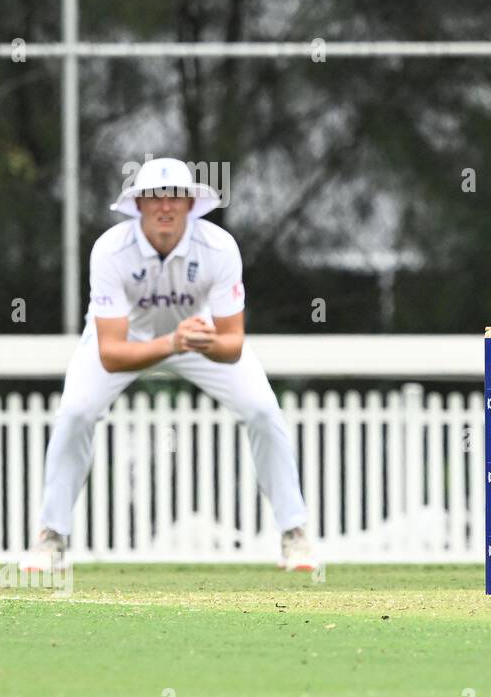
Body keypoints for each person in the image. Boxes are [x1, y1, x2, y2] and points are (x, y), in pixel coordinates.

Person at [19, 158, 318, 572]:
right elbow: (110, 353)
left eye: (175, 196)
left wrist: (202, 342)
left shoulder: (219, 247)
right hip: (128, 338)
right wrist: (171, 342)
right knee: (75, 412)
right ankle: (50, 536)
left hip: (200, 337)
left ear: (190, 204)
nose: (164, 206)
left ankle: (294, 533)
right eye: (153, 197)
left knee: (264, 411)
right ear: (138, 205)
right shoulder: (110, 250)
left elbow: (232, 344)